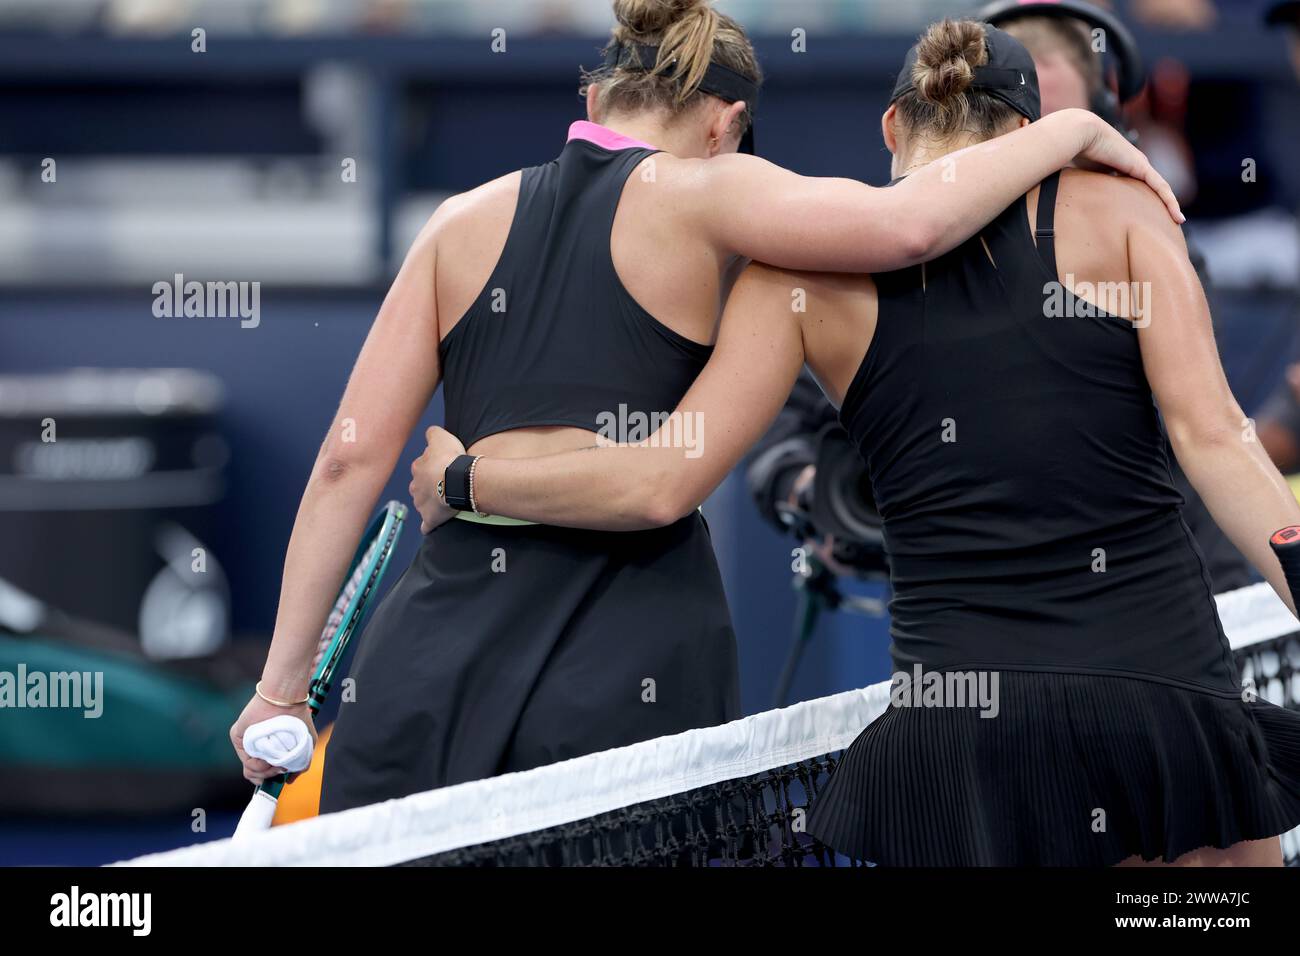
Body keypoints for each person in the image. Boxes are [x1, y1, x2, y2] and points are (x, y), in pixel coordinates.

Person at [227, 0, 1171, 811]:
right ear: (724, 123)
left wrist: (279, 693)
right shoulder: (716, 193)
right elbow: (914, 222)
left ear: (593, 102)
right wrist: (1074, 131)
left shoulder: (452, 224)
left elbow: (347, 465)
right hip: (627, 660)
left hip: (427, 665)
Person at [411, 20, 1300, 866]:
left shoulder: (795, 280)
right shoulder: (1125, 214)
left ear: (890, 125)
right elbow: (1216, 437)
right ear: (1032, 134)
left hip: (967, 741)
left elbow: (658, 481)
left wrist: (467, 481)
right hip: (1165, 703)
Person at [749, 0, 1253, 592]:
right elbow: (776, 445)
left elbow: (1210, 431)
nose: (1031, 162)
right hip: (964, 625)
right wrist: (812, 489)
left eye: (1056, 135)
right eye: (1022, 137)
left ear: (1113, 129)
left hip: (1182, 593)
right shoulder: (845, 271)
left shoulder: (1141, 240)